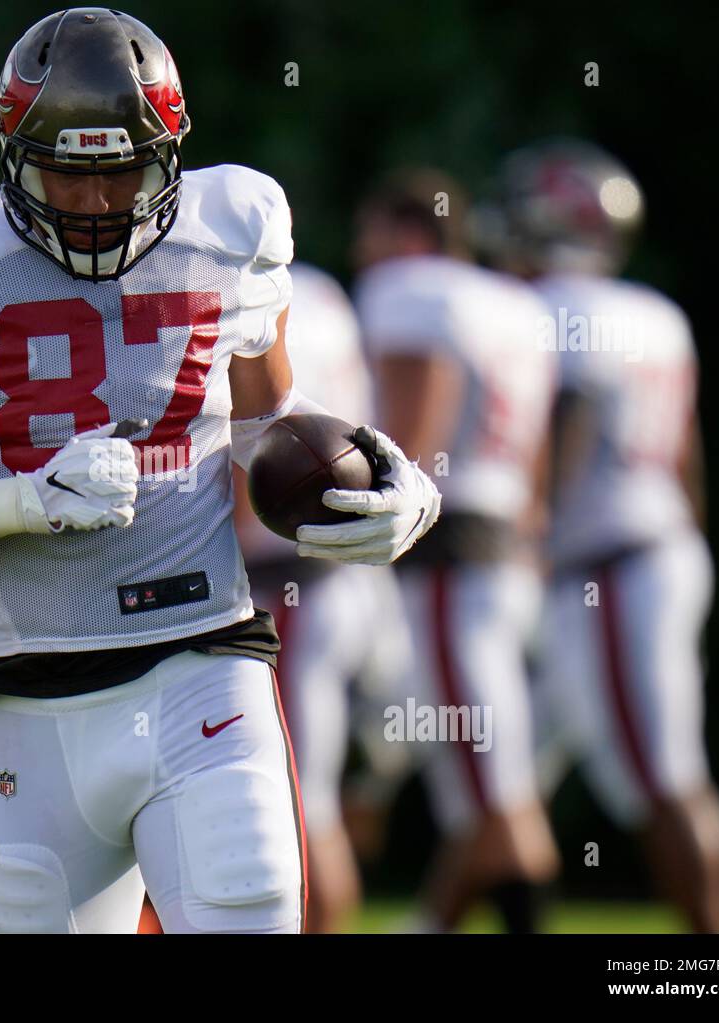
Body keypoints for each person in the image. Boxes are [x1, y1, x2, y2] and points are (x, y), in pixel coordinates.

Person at [0, 8, 440, 934]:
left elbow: (266, 422)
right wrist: (20, 501)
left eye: (120, 169)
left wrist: (384, 478)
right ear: (14, 154)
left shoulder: (230, 227)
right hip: (32, 700)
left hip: (203, 659)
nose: (98, 201)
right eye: (68, 171)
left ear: (171, 153)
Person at [480, 138, 719, 932]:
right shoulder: (653, 311)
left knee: (661, 775)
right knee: (512, 770)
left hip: (607, 564)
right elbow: (687, 454)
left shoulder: (551, 310)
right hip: (650, 551)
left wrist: (530, 533)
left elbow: (576, 417)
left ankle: (714, 956)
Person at [353, 168, 559, 932]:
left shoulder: (413, 290)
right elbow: (535, 459)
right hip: (508, 555)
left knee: (491, 796)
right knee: (483, 784)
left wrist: (381, 534)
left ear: (409, 235)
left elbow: (410, 442)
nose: (364, 255)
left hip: (447, 559)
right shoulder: (515, 304)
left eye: (371, 235)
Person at [232, 261, 413, 933]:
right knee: (296, 799)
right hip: (339, 577)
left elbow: (255, 442)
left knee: (296, 806)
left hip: (290, 578)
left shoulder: (224, 293)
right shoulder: (328, 297)